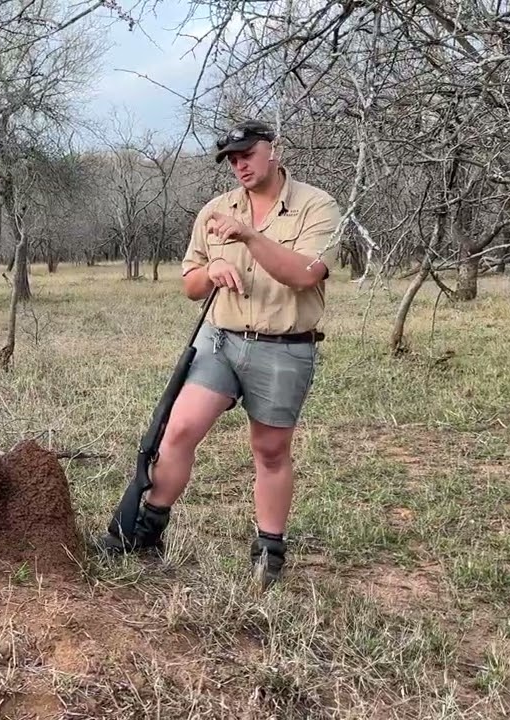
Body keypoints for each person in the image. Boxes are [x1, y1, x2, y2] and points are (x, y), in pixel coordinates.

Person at [109, 119, 342, 589]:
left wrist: (250, 237)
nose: (240, 166)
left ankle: (268, 552)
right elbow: (190, 284)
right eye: (233, 160)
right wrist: (212, 267)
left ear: (274, 150)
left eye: (247, 155)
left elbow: (305, 275)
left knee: (270, 450)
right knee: (179, 430)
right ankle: (144, 532)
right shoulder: (215, 210)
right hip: (219, 340)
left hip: (283, 346)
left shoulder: (317, 205)